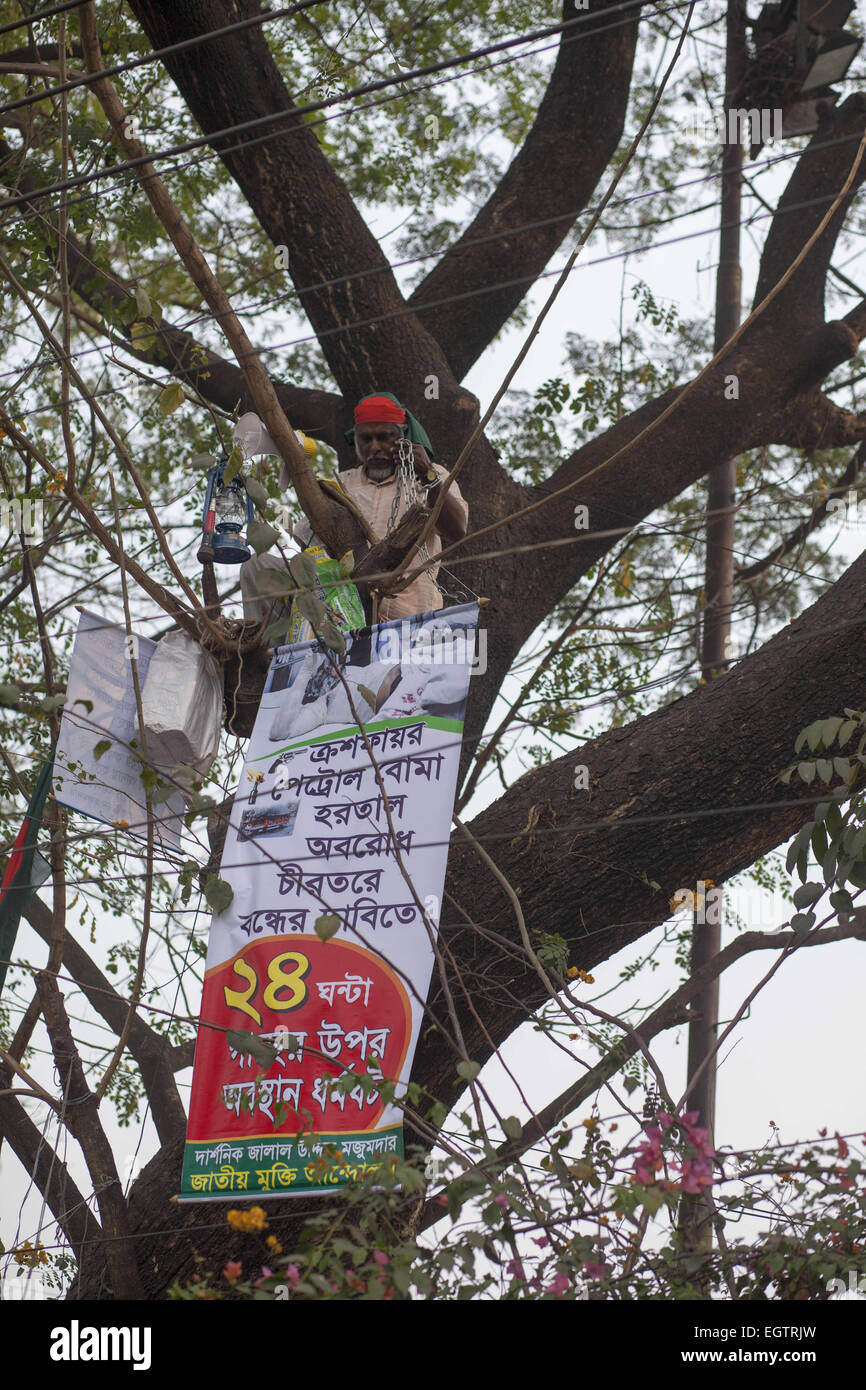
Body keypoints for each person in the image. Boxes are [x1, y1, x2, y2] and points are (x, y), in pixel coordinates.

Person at [240, 393, 468, 626]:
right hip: (340, 605)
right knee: (256, 565)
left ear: (402, 436)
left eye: (384, 437)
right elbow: (301, 544)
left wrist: (427, 475)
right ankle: (268, 653)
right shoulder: (340, 482)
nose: (375, 447)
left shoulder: (432, 475)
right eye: (366, 439)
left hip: (405, 614)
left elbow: (457, 530)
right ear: (356, 441)